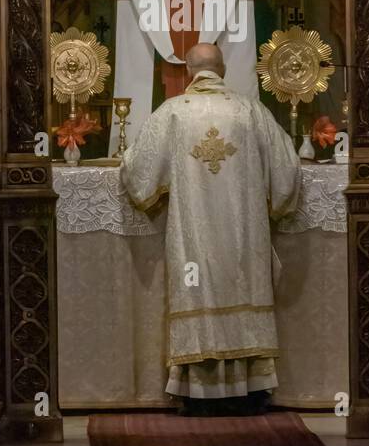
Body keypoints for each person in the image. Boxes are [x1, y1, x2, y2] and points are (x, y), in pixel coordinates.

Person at [120, 42, 302, 415]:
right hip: (243, 237)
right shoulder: (250, 111)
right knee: (244, 285)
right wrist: (278, 202)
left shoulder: (172, 113)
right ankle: (249, 390)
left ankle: (197, 391)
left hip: (194, 235)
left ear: (189, 71)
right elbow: (287, 171)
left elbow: (139, 174)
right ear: (221, 69)